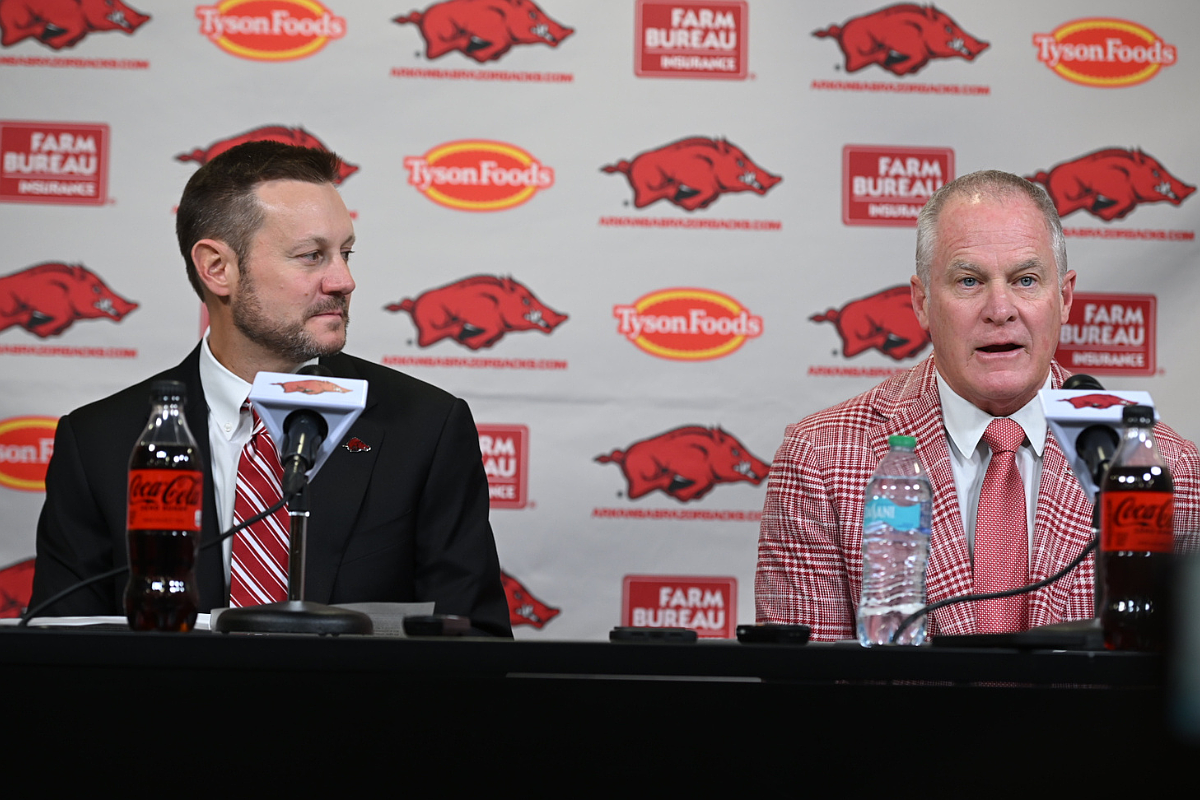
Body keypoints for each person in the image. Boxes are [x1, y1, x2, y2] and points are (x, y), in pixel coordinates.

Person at [30, 141, 512, 636]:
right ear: (218, 268)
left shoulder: (424, 427)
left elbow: (477, 645)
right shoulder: (99, 442)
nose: (344, 280)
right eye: (311, 256)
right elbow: (61, 653)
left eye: (345, 254)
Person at [756, 170, 1200, 641]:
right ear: (922, 302)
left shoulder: (1170, 470)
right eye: (969, 281)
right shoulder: (821, 459)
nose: (1000, 309)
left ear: (1065, 298)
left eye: (1026, 280)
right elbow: (804, 698)